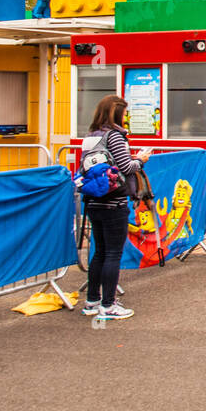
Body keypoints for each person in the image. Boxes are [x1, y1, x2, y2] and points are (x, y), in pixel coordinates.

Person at [81, 95, 152, 320]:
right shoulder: (115, 136)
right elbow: (126, 166)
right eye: (125, 113)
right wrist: (141, 159)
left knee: (100, 251)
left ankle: (92, 301)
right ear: (118, 114)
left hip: (94, 200)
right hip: (115, 201)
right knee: (113, 253)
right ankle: (108, 305)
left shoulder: (90, 137)